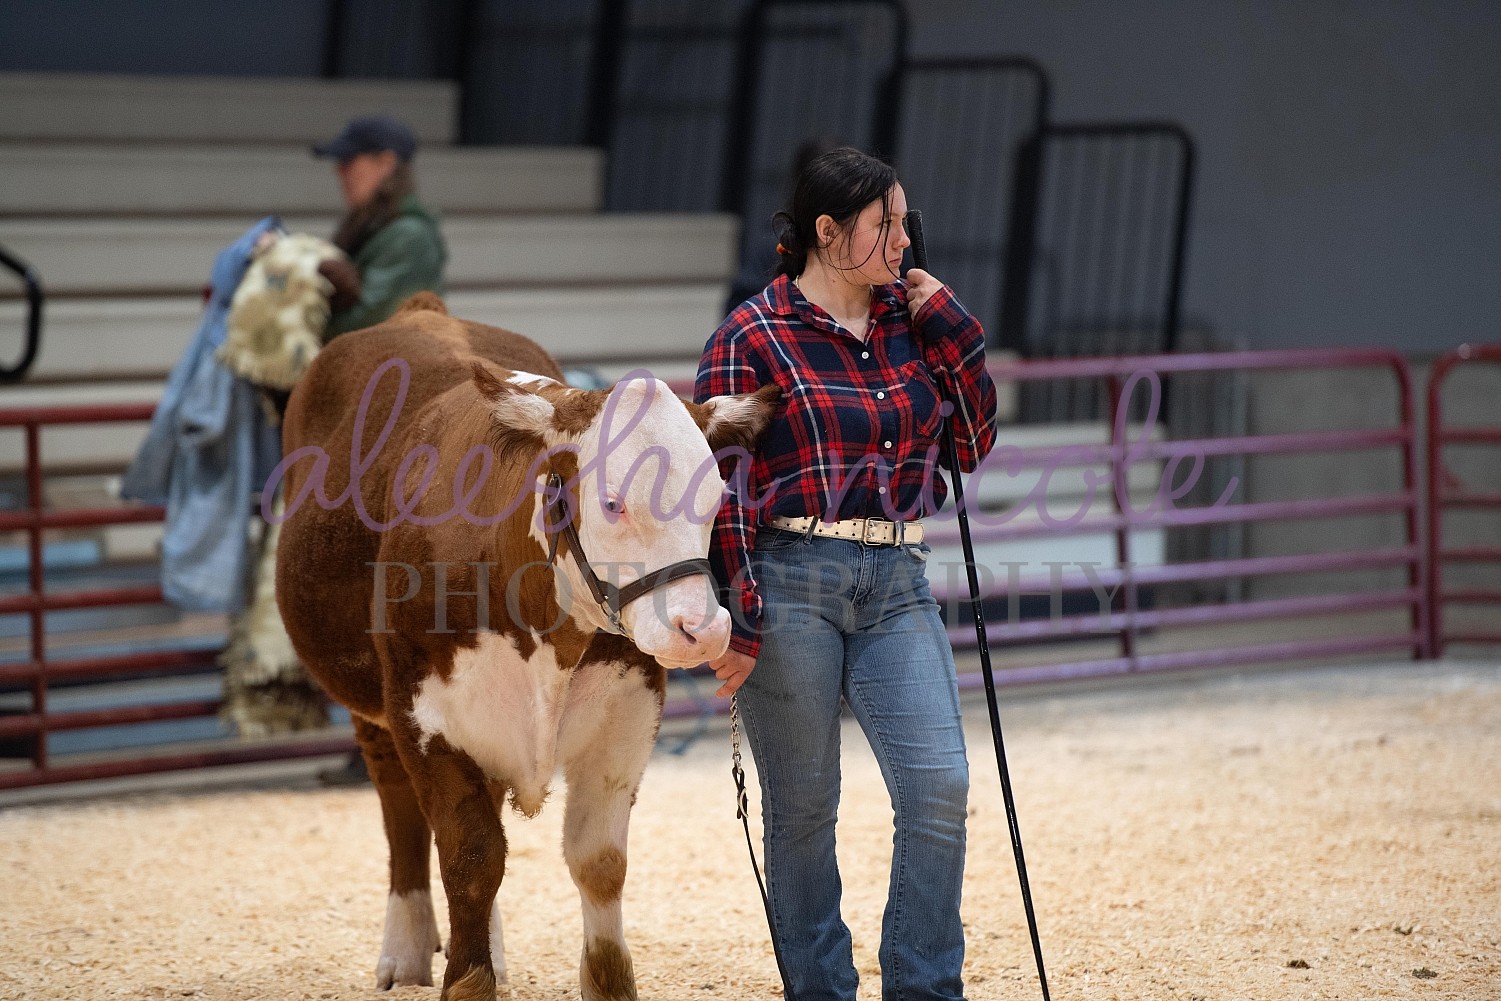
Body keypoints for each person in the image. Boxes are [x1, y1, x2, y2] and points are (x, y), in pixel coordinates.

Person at [694, 147, 998, 1001]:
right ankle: (821, 990)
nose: (904, 239)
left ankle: (923, 987)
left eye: (905, 221)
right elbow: (724, 493)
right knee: (802, 811)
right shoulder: (748, 337)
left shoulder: (911, 322)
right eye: (885, 224)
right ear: (827, 234)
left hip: (896, 572)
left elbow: (971, 444)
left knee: (939, 784)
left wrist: (952, 326)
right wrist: (740, 617)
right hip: (788, 574)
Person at [311, 114, 447, 339]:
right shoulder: (374, 225)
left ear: (385, 163)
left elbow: (369, 326)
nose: (339, 172)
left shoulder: (409, 235)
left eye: (348, 161)